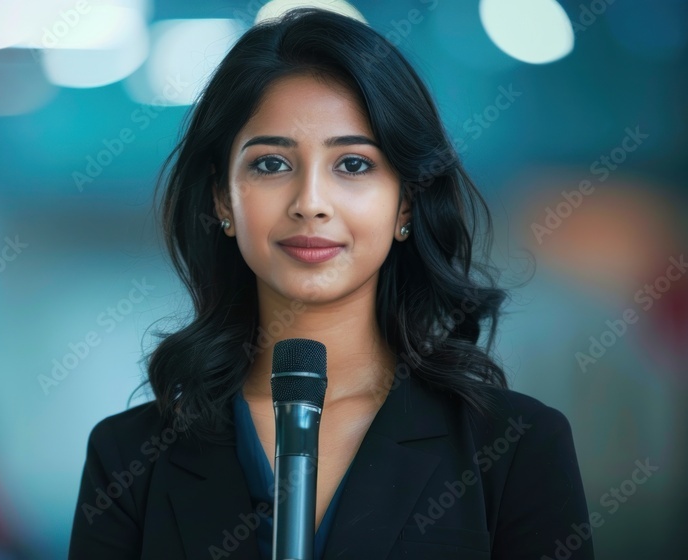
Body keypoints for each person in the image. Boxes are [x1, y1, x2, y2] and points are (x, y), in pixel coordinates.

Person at [68, 7, 592, 559]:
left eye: (353, 165)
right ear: (223, 199)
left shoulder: (516, 446)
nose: (311, 204)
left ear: (405, 201)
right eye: (271, 164)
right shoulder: (129, 458)